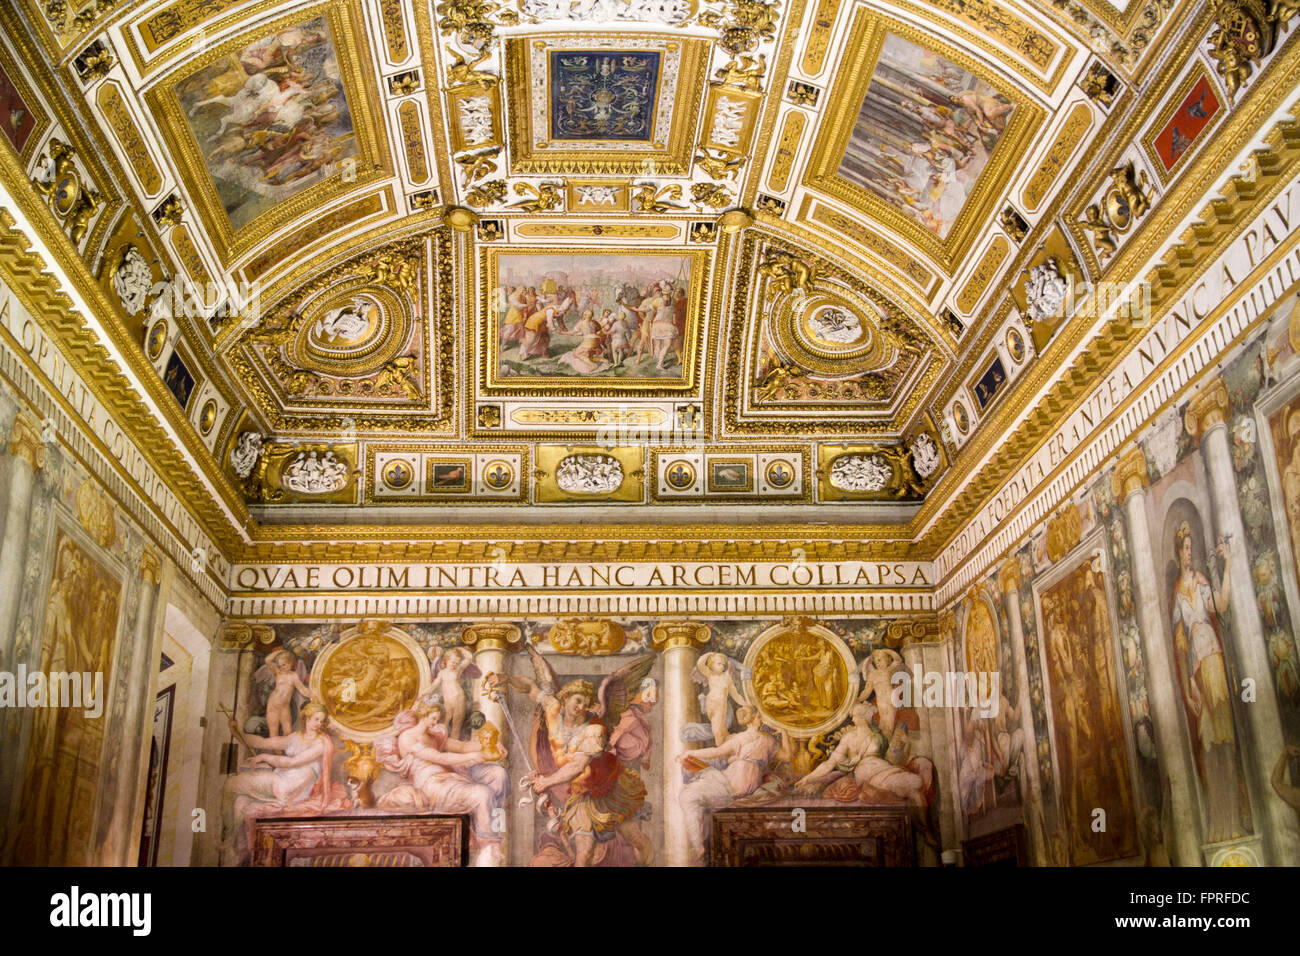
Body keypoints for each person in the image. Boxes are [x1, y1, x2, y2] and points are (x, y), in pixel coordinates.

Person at [1170, 522, 1246, 842]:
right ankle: (1217, 819)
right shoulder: (1177, 592)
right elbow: (1179, 645)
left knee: (1225, 738)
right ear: (1178, 552)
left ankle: (1236, 817)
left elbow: (1222, 604)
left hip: (1213, 658)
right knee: (1208, 740)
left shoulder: (1201, 581)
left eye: (1191, 548)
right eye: (1185, 549)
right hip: (1197, 669)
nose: (1189, 553)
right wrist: (1188, 687)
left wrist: (1228, 564)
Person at [375, 700, 508, 866]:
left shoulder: (432, 735)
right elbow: (438, 757)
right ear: (422, 716)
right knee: (482, 793)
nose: (435, 723)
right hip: (432, 785)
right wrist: (471, 757)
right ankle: (489, 844)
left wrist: (490, 746)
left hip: (451, 775)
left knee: (498, 773)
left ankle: (489, 825)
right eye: (433, 718)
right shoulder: (407, 738)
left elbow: (462, 746)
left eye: (437, 719)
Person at [677, 706, 779, 861]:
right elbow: (715, 752)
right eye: (759, 716)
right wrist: (692, 754)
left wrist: (692, 753)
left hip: (731, 785)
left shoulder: (755, 739)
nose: (761, 719)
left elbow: (716, 752)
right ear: (752, 719)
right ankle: (698, 844)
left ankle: (697, 845)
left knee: (688, 796)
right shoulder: (752, 739)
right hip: (730, 781)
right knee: (691, 791)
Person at [695, 653, 748, 745]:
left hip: (720, 706)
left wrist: (745, 704)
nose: (722, 667)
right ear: (712, 665)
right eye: (719, 664)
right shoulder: (710, 675)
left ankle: (723, 753)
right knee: (720, 731)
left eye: (723, 664)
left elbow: (735, 694)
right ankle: (725, 751)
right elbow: (700, 664)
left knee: (718, 732)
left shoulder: (727, 677)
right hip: (710, 705)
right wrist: (709, 654)